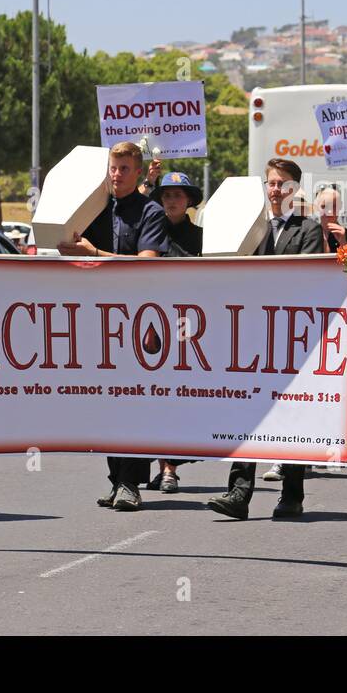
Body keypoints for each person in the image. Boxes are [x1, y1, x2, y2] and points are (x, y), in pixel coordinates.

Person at [207, 157, 323, 521]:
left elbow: (304, 277)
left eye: (283, 184)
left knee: (291, 413)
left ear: (295, 190)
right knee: (246, 410)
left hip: (290, 336)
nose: (275, 190)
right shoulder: (250, 227)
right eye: (271, 183)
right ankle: (239, 492)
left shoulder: (309, 229)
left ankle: (292, 493)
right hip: (251, 335)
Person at [60, 141, 170, 512]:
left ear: (138, 172)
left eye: (124, 169)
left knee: (134, 401)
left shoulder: (150, 212)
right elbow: (67, 249)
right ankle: (115, 479)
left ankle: (130, 482)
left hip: (139, 319)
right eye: (113, 167)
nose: (116, 175)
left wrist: (95, 254)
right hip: (99, 318)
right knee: (105, 402)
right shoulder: (96, 210)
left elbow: (145, 264)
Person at [146, 171, 204, 492]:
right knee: (156, 397)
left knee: (180, 398)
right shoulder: (150, 234)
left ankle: (171, 464)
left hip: (189, 327)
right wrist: (147, 179)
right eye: (166, 195)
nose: (171, 201)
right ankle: (165, 467)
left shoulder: (203, 237)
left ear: (189, 202)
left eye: (177, 196)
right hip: (154, 325)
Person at [314, 185, 347, 253]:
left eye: (334, 206)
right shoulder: (308, 237)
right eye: (324, 206)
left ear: (340, 205)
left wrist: (344, 243)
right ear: (317, 207)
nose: (330, 212)